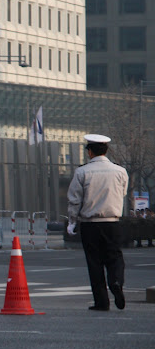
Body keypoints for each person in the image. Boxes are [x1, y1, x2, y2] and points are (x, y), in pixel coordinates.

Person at [67, 133, 128, 311]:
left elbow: (75, 200)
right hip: (112, 222)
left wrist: (72, 221)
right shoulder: (120, 171)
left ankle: (101, 302)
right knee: (115, 257)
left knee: (95, 262)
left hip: (90, 223)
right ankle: (116, 282)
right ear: (106, 150)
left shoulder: (82, 172)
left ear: (90, 152)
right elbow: (122, 193)